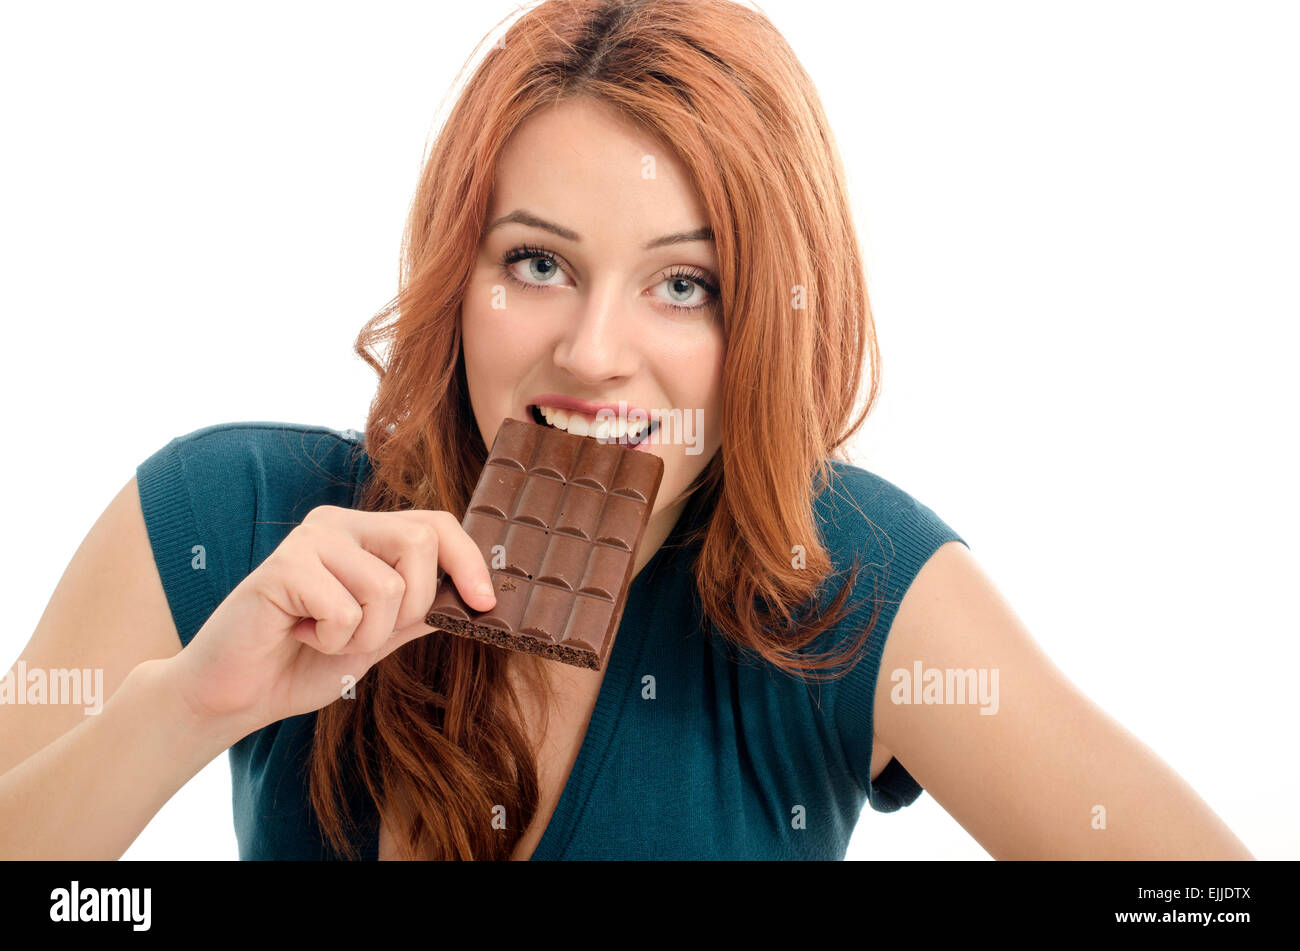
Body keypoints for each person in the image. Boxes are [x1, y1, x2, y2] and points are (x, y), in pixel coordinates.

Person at [0, 0, 1253, 861]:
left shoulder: (848, 582)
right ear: (458, 273)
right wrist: (187, 710)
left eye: (683, 284)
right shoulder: (232, 518)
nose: (594, 353)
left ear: (767, 318)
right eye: (537, 260)